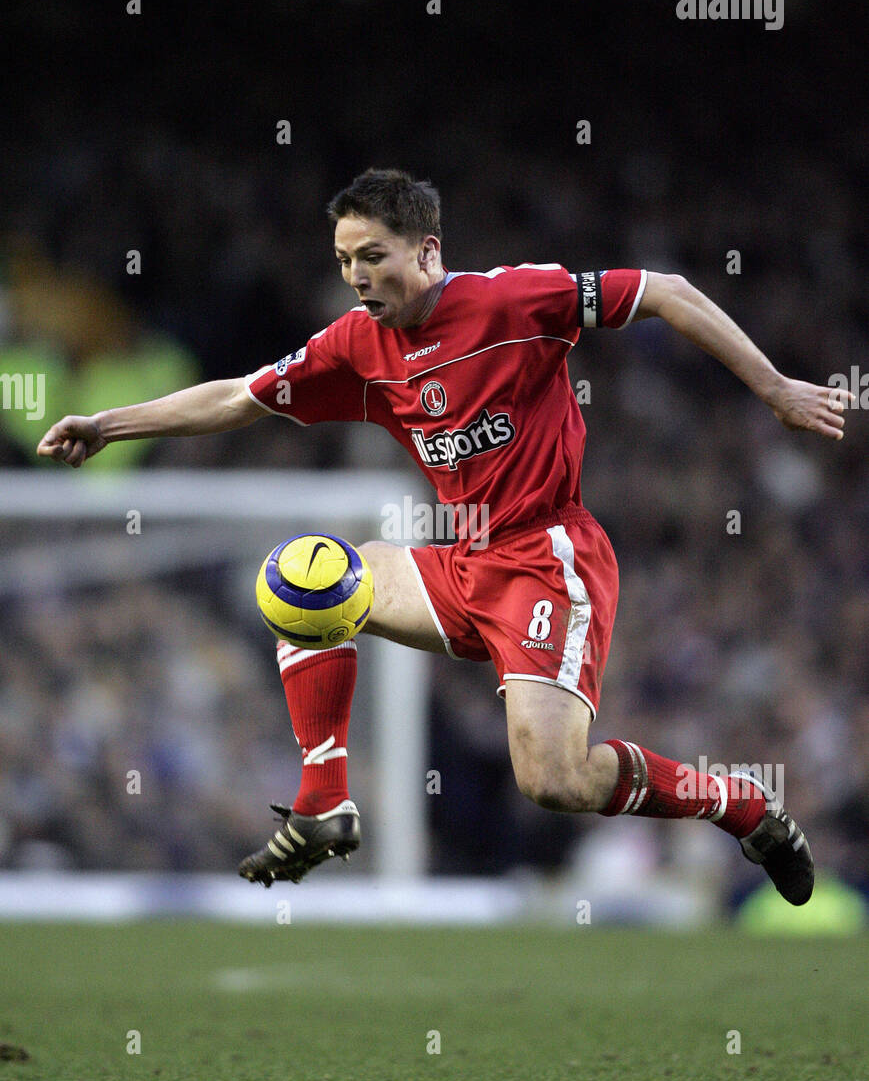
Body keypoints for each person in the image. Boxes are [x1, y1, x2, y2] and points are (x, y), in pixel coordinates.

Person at [37, 168, 854, 903]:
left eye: (372, 255)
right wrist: (110, 425)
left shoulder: (513, 301)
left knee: (555, 781)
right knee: (303, 578)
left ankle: (742, 807)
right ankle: (324, 804)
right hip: (459, 562)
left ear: (427, 251)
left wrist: (774, 387)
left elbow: (667, 291)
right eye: (344, 259)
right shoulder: (357, 342)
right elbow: (239, 398)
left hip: (546, 559)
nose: (356, 276)